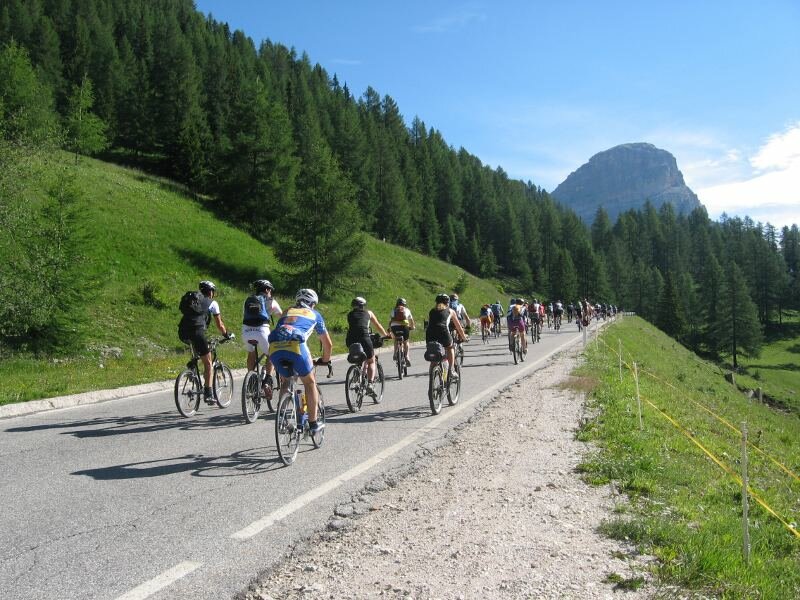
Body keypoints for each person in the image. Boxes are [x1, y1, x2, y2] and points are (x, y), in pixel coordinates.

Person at [268, 289, 332, 434]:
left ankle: (282, 419)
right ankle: (313, 423)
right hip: (296, 347)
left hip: (274, 348)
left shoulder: (287, 311)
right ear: (312, 303)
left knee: (287, 382)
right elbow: (328, 344)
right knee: (309, 383)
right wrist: (325, 360)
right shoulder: (315, 314)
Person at [178, 280, 233, 403]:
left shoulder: (194, 300)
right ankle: (208, 394)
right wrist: (226, 334)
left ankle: (192, 366)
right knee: (208, 363)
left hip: (182, 331)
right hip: (197, 332)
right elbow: (219, 324)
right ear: (211, 292)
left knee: (198, 348)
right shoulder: (212, 302)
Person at [242, 279, 282, 383]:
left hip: (246, 331)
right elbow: (282, 317)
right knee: (271, 354)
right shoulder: (271, 301)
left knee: (251, 353)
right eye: (270, 290)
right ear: (267, 289)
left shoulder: (248, 300)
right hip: (262, 331)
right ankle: (268, 379)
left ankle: (250, 380)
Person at [347, 296, 389, 395]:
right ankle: (370, 384)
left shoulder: (349, 314)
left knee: (358, 358)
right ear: (363, 305)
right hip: (364, 338)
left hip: (350, 339)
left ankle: (357, 376)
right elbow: (377, 325)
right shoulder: (368, 313)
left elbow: (355, 326)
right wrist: (385, 335)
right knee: (371, 360)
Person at [426, 293, 467, 382]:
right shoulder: (450, 311)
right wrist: (464, 337)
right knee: (450, 347)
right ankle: (451, 371)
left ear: (436, 302)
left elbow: (430, 324)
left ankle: (431, 379)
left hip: (430, 334)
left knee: (435, 357)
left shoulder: (431, 311)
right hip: (443, 332)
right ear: (447, 303)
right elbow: (458, 327)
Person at [387, 297, 415, 367]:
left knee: (396, 340)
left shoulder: (393, 310)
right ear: (404, 304)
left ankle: (395, 354)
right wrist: (412, 327)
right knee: (406, 341)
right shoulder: (407, 310)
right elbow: (411, 321)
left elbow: (390, 321)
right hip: (404, 327)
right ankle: (407, 356)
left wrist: (389, 329)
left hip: (394, 327)